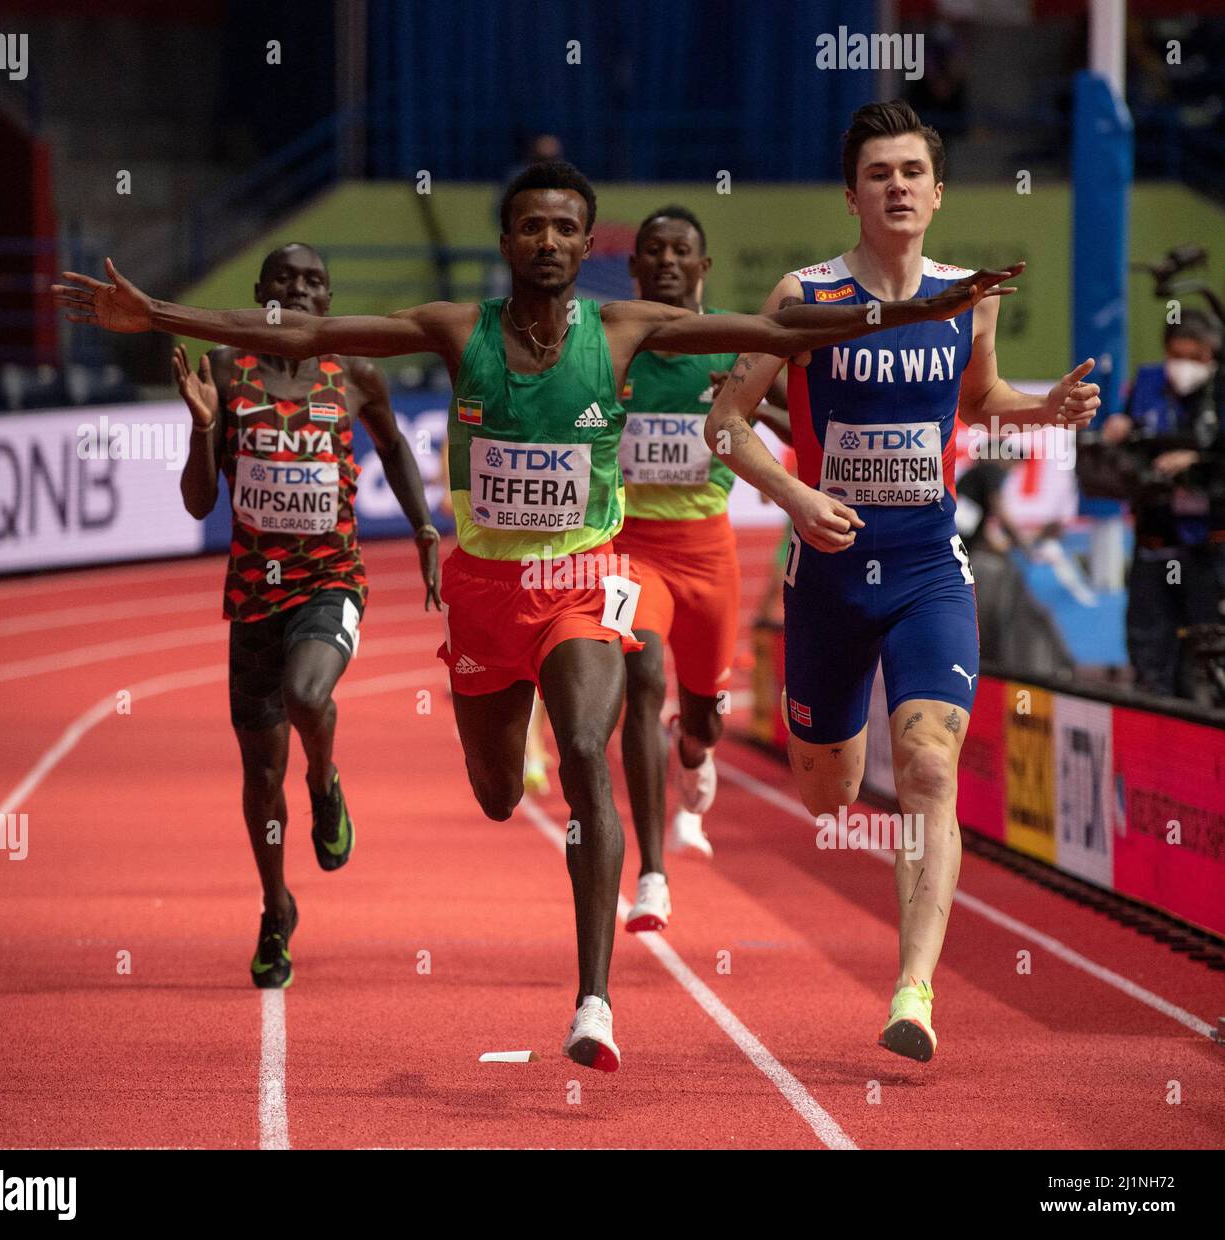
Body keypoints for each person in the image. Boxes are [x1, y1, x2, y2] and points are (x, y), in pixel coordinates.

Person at [56, 158, 1016, 1072]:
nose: (549, 241)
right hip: (483, 595)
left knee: (588, 750)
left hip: (582, 580)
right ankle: (530, 798)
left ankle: (593, 1000)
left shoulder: (626, 326)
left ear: (588, 240)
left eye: (566, 227)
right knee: (497, 794)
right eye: (532, 227)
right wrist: (156, 316)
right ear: (508, 241)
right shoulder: (451, 326)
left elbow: (781, 336)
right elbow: (304, 337)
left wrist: (917, 310)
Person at [704, 101, 1099, 1061]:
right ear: (853, 194)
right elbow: (725, 419)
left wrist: (1043, 409)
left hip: (928, 568)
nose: (897, 186)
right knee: (829, 795)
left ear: (936, 190)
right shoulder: (809, 296)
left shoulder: (970, 295)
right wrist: (797, 497)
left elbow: (979, 399)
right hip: (829, 576)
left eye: (912, 172)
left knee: (928, 765)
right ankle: (830, 764)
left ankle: (913, 990)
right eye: (879, 173)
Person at [168, 242, 441, 988]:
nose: (298, 287)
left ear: (328, 297)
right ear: (261, 292)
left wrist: (422, 527)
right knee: (260, 775)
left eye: (314, 279)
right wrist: (201, 429)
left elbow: (394, 449)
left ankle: (325, 783)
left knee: (308, 695)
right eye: (284, 278)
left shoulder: (355, 371)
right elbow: (198, 502)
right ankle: (274, 909)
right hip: (253, 593)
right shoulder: (226, 371)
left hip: (330, 579)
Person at [617, 204, 789, 933]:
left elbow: (792, 418)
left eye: (680, 250)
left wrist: (747, 408)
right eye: (651, 250)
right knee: (641, 676)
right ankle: (651, 874)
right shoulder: (612, 345)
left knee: (703, 717)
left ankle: (695, 751)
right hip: (628, 550)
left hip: (707, 552)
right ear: (635, 267)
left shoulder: (732, 342)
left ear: (703, 267)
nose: (664, 261)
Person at [1101, 309, 1225, 697]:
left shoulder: (1220, 391)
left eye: (1197, 356)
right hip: (1153, 546)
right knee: (1150, 652)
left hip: (1209, 549)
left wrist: (1199, 464)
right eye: (1179, 354)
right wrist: (1120, 432)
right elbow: (1120, 453)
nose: (1186, 365)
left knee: (1205, 657)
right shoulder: (1149, 383)